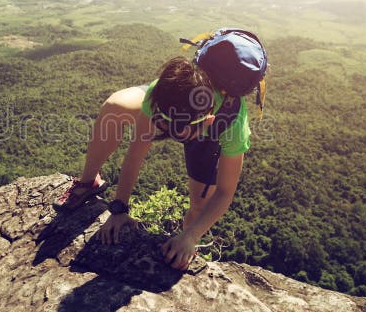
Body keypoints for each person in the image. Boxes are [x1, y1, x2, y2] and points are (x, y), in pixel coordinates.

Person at [54, 55, 251, 271]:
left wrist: (191, 235)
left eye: (176, 130)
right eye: (162, 124)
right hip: (183, 110)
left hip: (209, 134)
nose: (167, 133)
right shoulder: (160, 96)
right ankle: (88, 182)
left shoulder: (231, 124)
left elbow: (225, 191)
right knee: (114, 108)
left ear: (207, 120)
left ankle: (187, 244)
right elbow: (135, 155)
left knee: (200, 205)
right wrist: (119, 208)